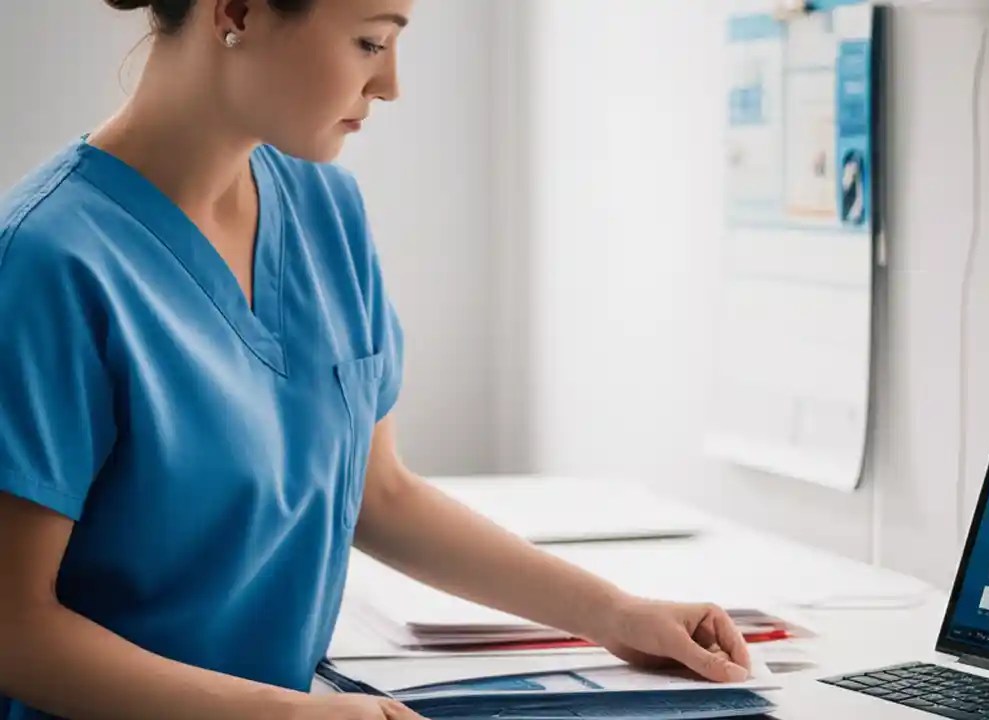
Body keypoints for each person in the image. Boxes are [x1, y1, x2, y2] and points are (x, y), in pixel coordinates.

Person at [0, 2, 751, 719]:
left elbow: (378, 492)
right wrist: (283, 715)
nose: (390, 83)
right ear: (236, 12)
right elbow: (15, 630)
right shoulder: (47, 262)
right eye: (370, 42)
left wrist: (616, 613)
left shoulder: (327, 208)